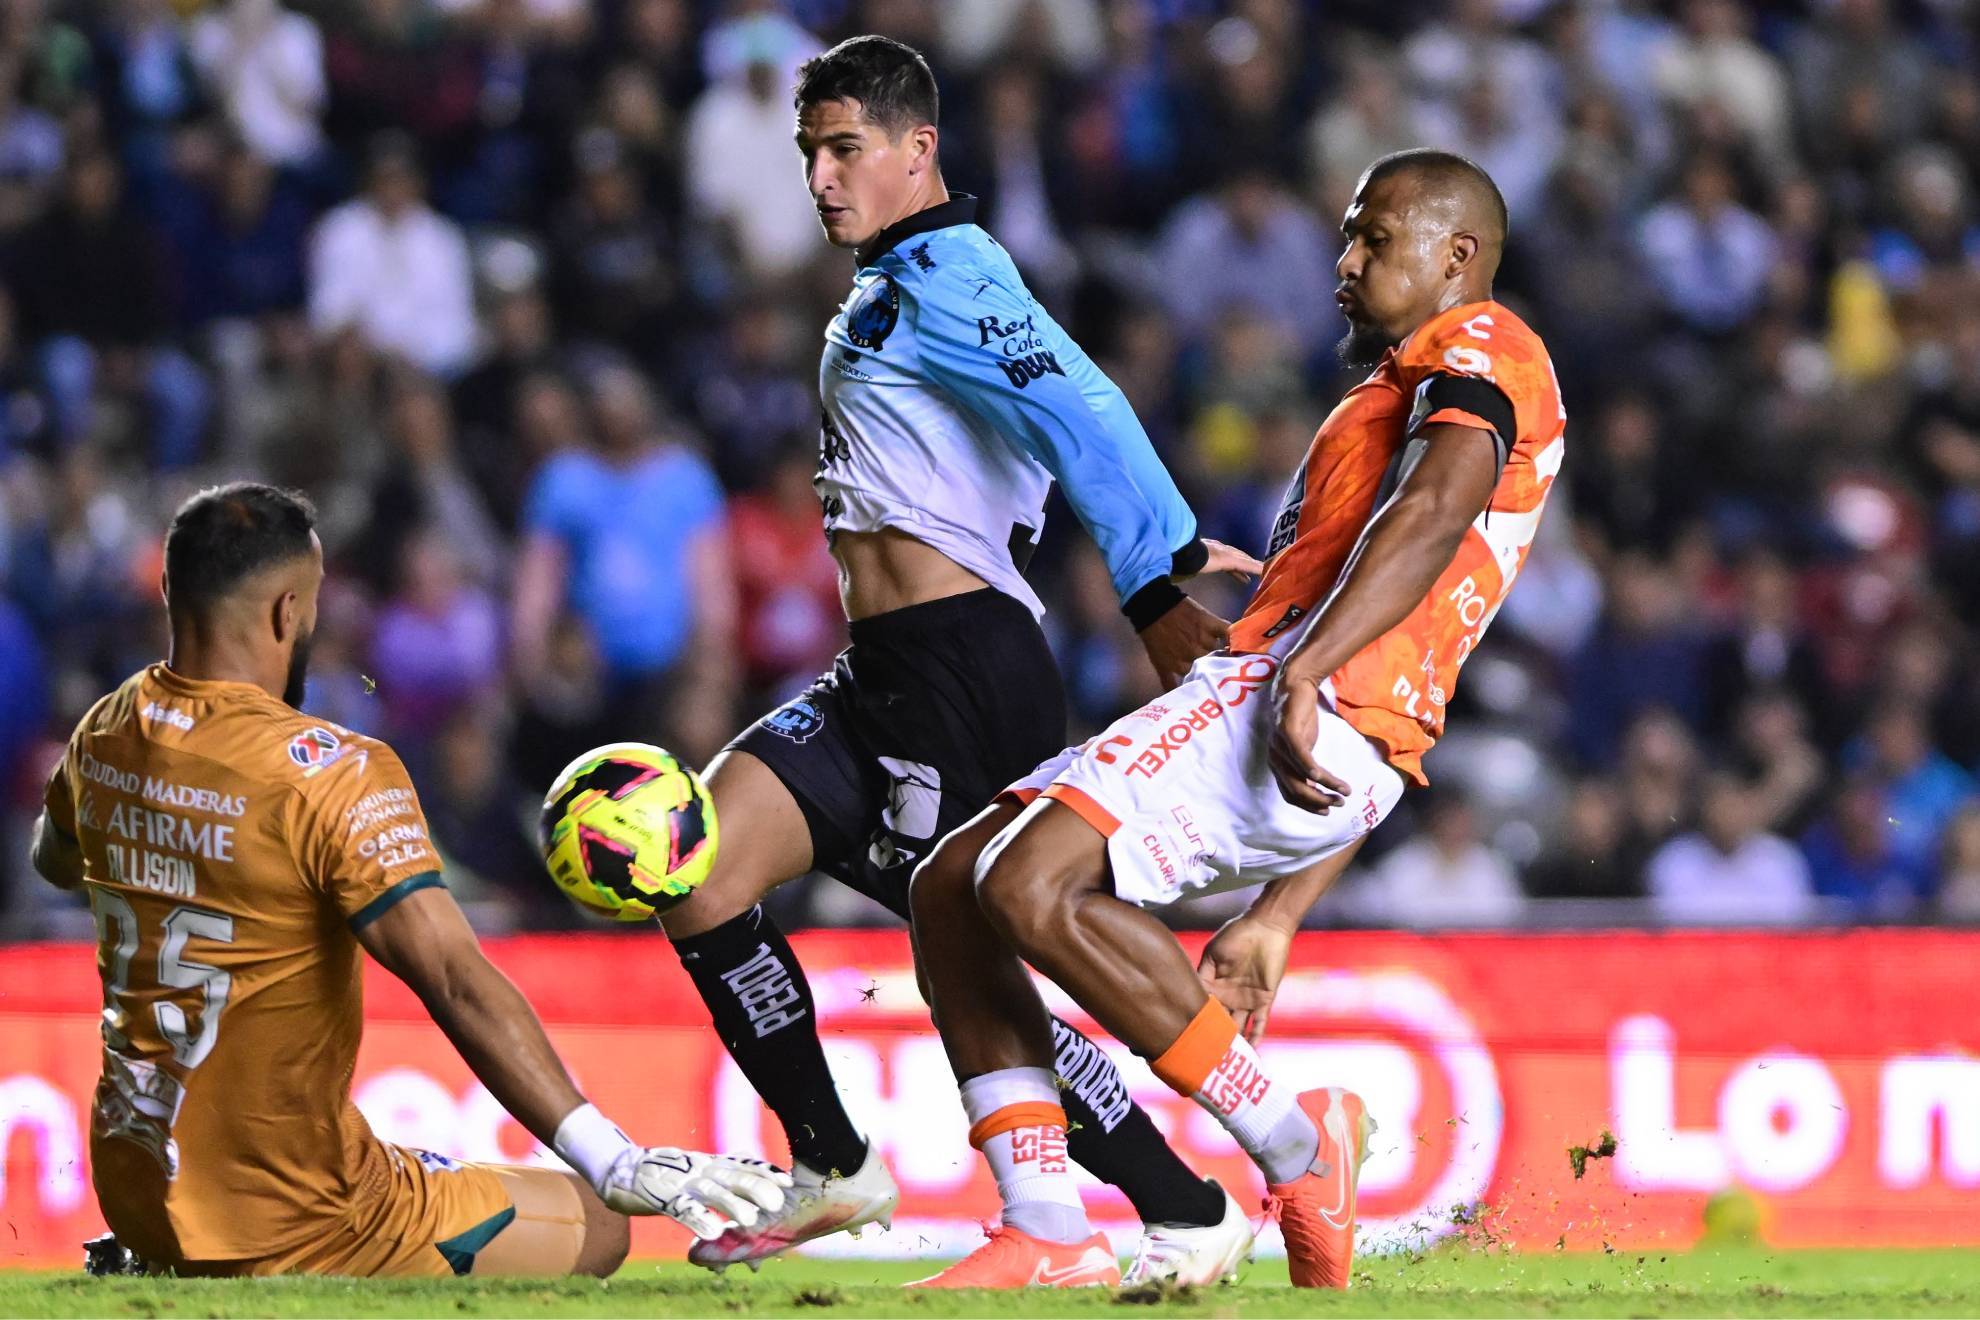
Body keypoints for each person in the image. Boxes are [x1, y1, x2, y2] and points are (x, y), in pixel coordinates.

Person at [656, 35, 1263, 1285]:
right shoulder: (891, 282)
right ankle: (833, 1163)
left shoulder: (952, 269)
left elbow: (1079, 404)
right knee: (698, 869)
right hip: (874, 669)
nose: (821, 178)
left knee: (987, 963)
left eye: (845, 150)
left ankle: (1182, 1204)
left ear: (917, 149)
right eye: (809, 154)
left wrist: (1153, 579)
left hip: (965, 668)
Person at [910, 149, 1564, 1289]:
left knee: (1024, 886)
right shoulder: (1395, 387)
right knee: (951, 888)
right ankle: (1045, 1217)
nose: (1345, 263)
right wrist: (1277, 915)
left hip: (1292, 704)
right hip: (1326, 729)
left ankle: (1288, 1146)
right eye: (1347, 237)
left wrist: (1300, 663)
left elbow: (1439, 504)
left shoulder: (1484, 350)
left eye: (1375, 239)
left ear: (1457, 256)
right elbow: (1393, 680)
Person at [28, 483, 787, 1278]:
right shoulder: (331, 773)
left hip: (135, 1186)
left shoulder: (106, 731)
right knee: (598, 1225)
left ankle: (157, 1253)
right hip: (292, 1217)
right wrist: (616, 1159)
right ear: (289, 610)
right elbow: (454, 979)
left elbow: (56, 861)